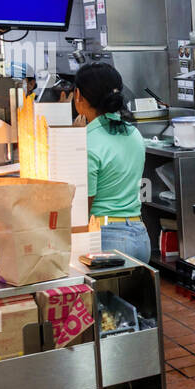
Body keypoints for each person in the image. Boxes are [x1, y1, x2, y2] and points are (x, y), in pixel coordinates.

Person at [73, 63, 150, 264]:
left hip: (107, 240)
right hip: (140, 236)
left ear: (78, 95)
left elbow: (83, 206)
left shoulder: (86, 142)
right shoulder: (133, 133)